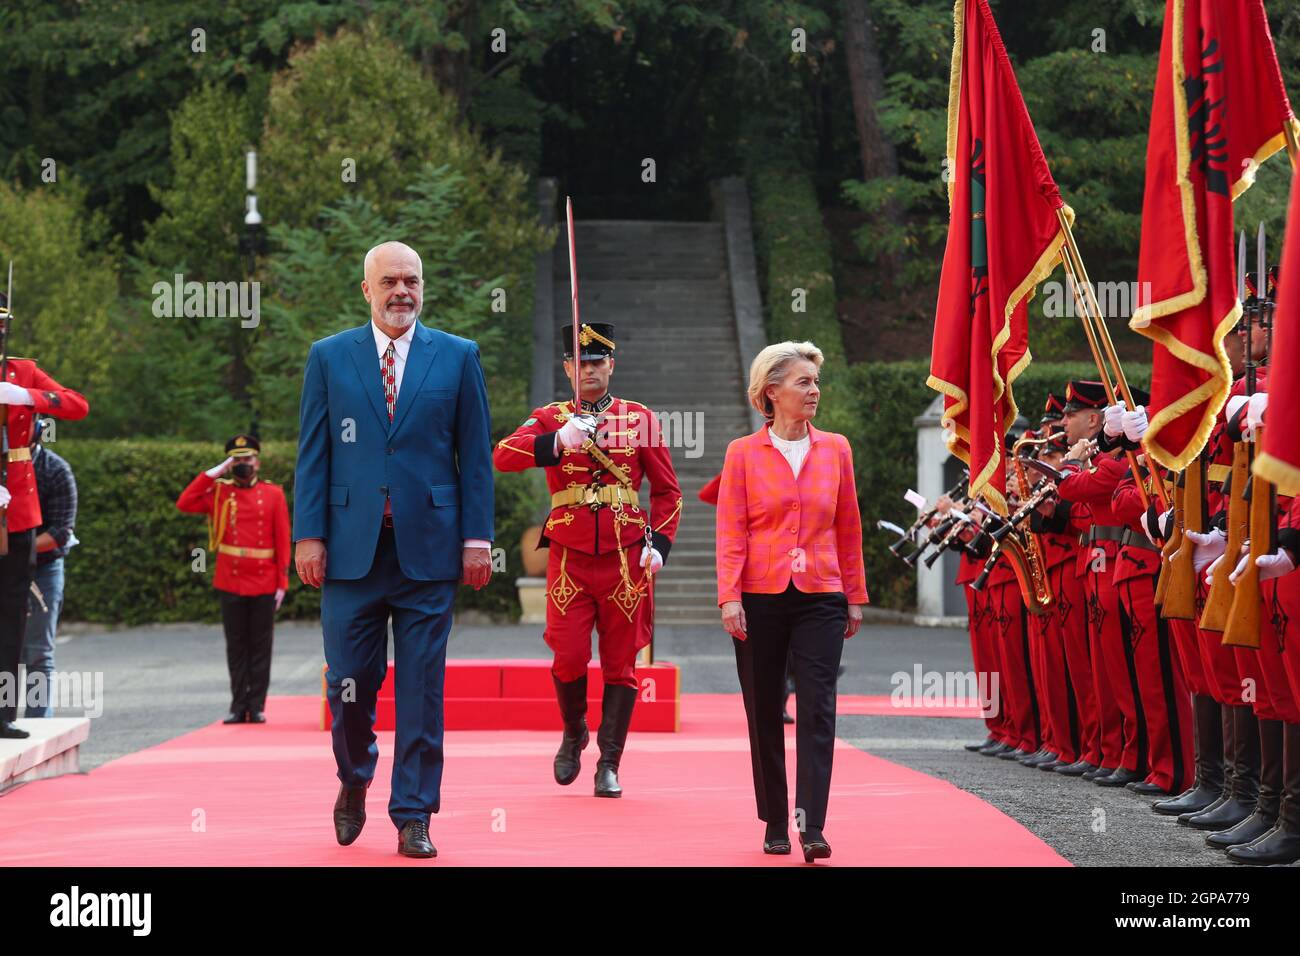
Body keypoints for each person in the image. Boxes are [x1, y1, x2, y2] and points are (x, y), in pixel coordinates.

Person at [293, 240, 494, 859]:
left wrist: (478, 538)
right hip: (349, 553)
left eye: (412, 280)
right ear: (366, 290)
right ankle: (354, 778)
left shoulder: (458, 357)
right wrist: (308, 535)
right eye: (390, 282)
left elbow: (475, 455)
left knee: (423, 687)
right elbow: (313, 453)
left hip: (429, 553)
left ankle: (414, 812)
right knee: (349, 683)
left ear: (423, 286)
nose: (402, 291)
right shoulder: (329, 358)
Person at [493, 322, 681, 796]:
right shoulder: (551, 416)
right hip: (570, 558)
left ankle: (610, 761)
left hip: (625, 559)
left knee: (621, 663)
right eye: (580, 363)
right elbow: (502, 455)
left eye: (597, 362)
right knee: (569, 654)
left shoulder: (639, 418)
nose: (589, 370)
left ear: (611, 365)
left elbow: (667, 491)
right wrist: (557, 441)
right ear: (567, 367)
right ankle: (574, 731)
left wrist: (659, 544)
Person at [716, 340, 868, 862]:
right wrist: (728, 597)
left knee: (818, 709)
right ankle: (775, 821)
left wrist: (855, 595)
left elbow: (849, 525)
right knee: (762, 710)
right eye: (803, 382)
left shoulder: (838, 448)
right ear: (771, 391)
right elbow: (731, 530)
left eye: (816, 382)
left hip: (822, 595)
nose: (814, 391)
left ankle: (813, 825)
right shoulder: (742, 453)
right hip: (759, 597)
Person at [0, 290, 90, 739]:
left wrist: (25, 393)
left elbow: (76, 404)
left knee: (13, 614)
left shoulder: (23, 370)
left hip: (16, 508)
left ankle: (4, 713)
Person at [176, 433, 291, 724]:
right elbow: (185, 502)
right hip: (231, 579)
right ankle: (239, 705)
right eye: (237, 460)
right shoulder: (219, 492)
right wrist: (213, 473)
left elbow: (283, 540)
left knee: (261, 645)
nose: (243, 464)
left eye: (247, 459)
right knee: (236, 646)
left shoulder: (274, 494)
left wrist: (282, 583)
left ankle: (258, 704)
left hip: (264, 580)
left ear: (257, 462)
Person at [22, 419, 77, 718]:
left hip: (43, 568)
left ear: (37, 427)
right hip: (6, 569)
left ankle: (38, 724)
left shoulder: (55, 470)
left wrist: (17, 549)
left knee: (38, 653)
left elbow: (60, 532)